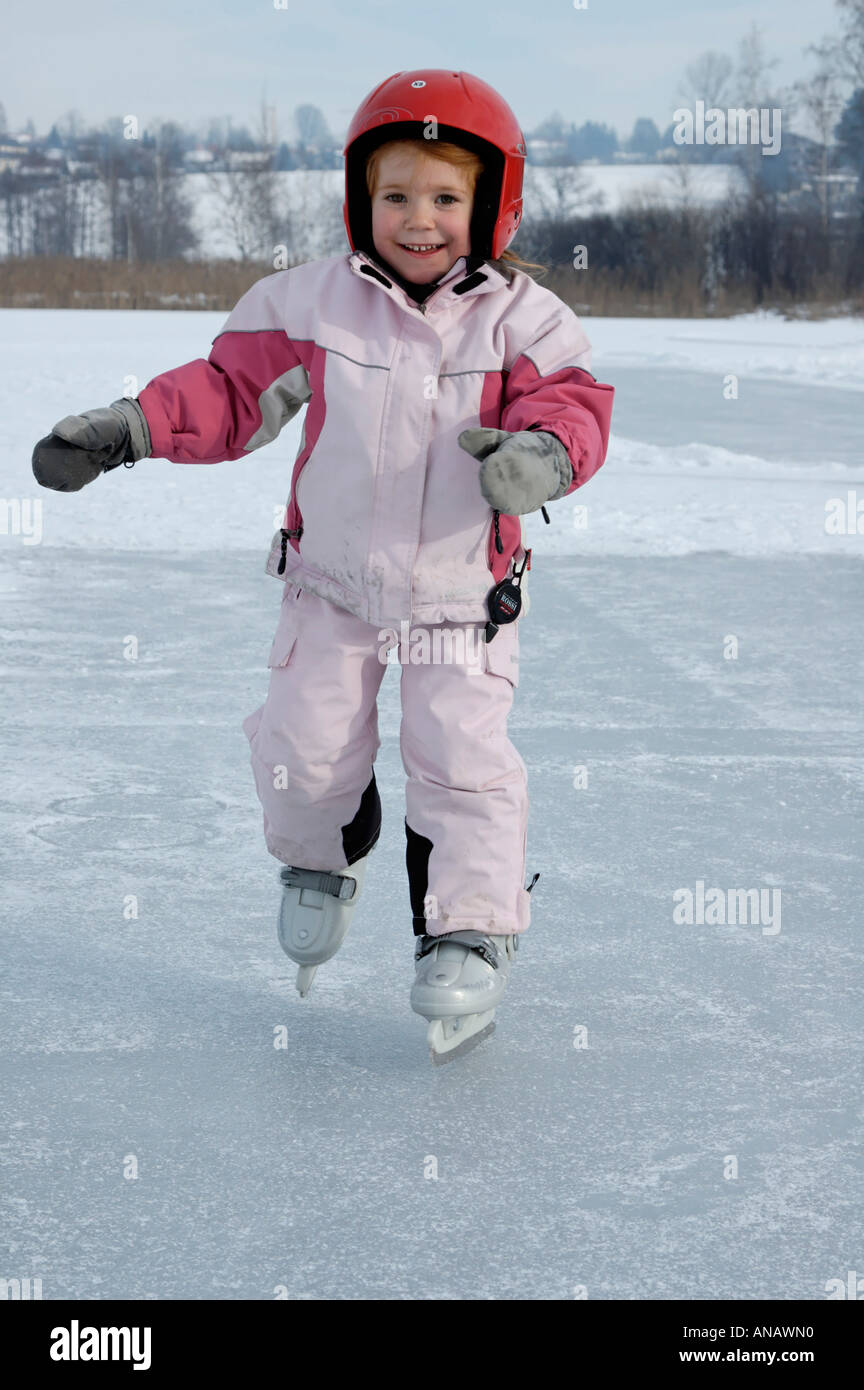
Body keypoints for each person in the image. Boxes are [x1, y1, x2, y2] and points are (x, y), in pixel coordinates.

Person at [31, 69, 615, 1063]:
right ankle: (324, 854)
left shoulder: (526, 320)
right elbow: (225, 393)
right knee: (302, 755)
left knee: (462, 767)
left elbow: (573, 406)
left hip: (463, 599)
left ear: (492, 202)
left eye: (444, 197)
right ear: (359, 197)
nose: (418, 220)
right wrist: (128, 427)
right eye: (395, 195)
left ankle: (468, 926)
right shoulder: (311, 303)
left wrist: (541, 457)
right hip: (330, 587)